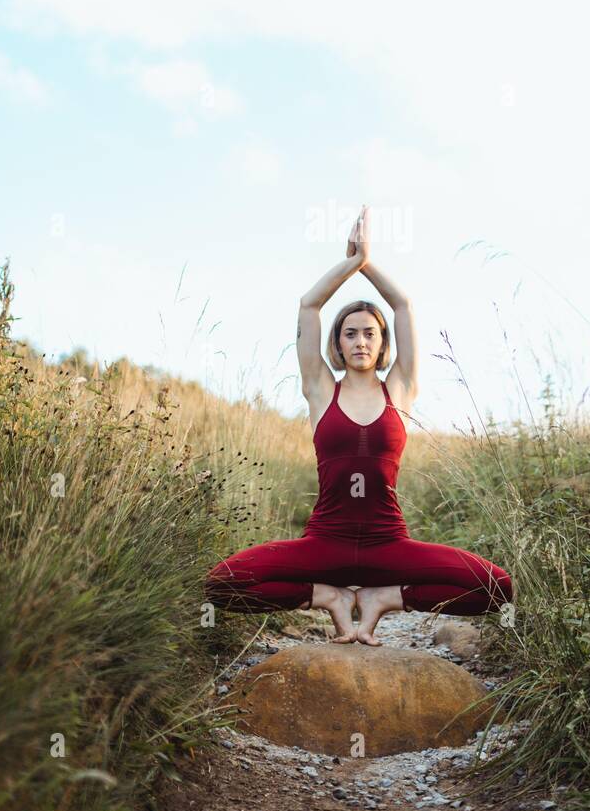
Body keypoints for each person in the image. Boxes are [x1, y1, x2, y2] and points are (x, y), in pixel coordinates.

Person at [204, 205, 513, 645]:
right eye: (350, 333)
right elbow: (309, 304)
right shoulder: (319, 389)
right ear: (338, 343)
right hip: (324, 544)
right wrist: (351, 264)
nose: (361, 340)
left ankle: (385, 599)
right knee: (220, 583)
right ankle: (325, 597)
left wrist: (370, 263)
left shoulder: (401, 389)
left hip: (389, 546)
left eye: (370, 332)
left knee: (498, 586)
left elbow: (403, 304)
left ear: (383, 341)